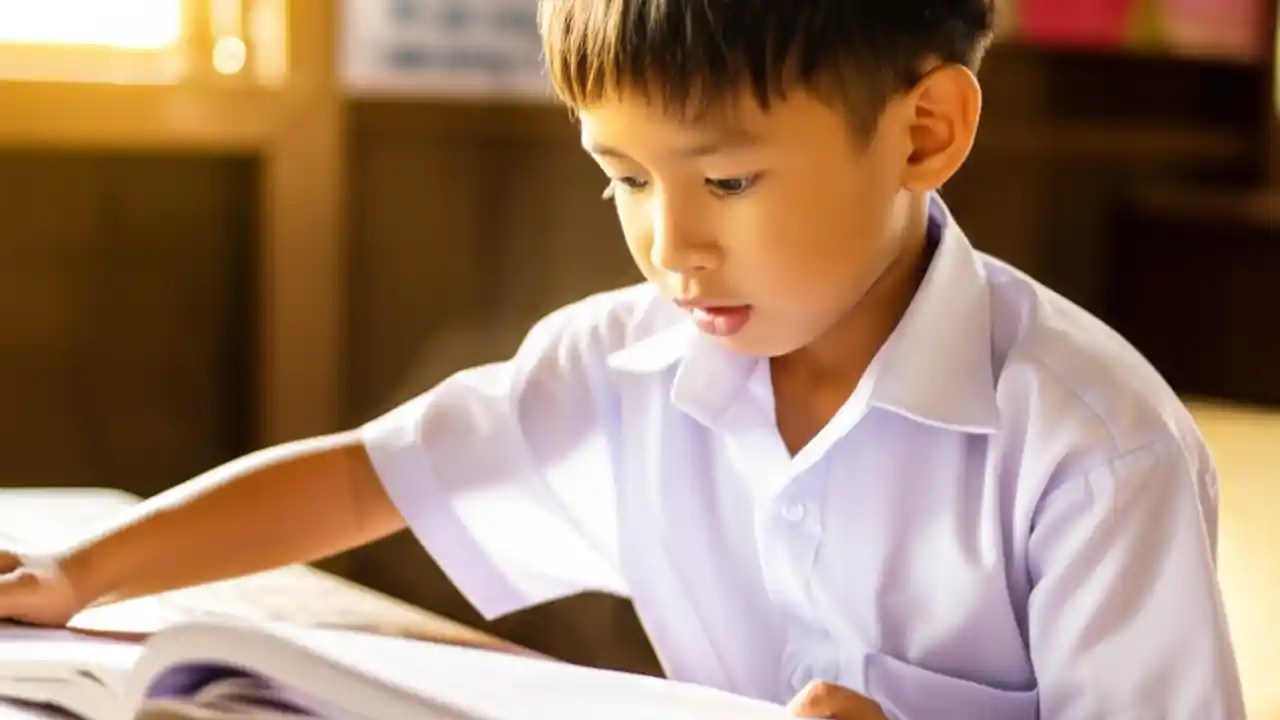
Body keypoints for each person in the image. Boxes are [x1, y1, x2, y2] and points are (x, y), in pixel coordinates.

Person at [0, 1, 1244, 717]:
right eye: (625, 180)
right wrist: (79, 571)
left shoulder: (1091, 446)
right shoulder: (624, 365)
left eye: (728, 180)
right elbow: (364, 476)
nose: (670, 246)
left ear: (923, 132)